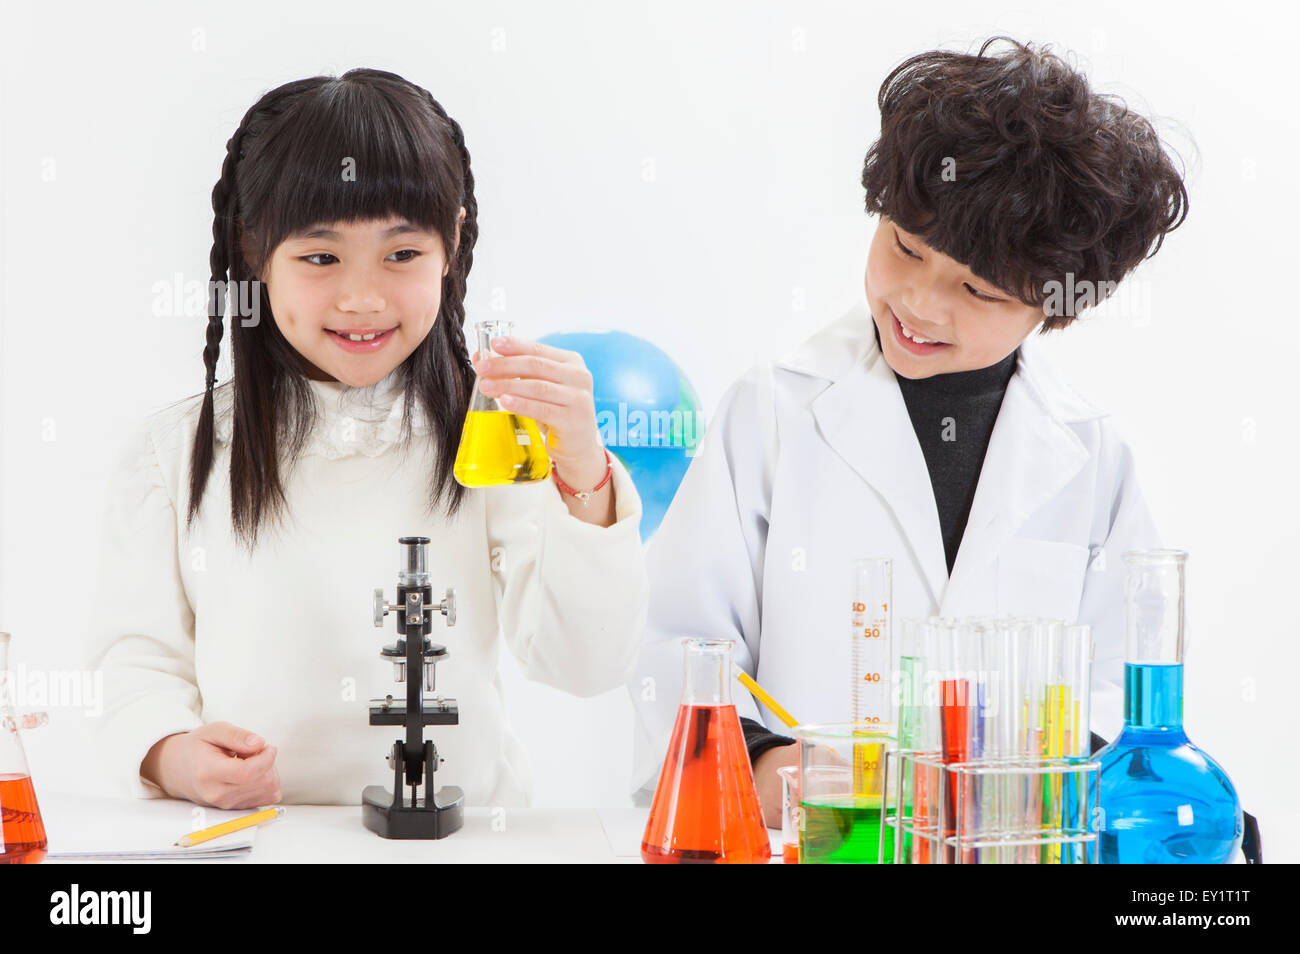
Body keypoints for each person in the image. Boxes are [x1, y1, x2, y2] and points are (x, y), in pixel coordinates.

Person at [629, 36, 1260, 862]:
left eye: (977, 289)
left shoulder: (1092, 458)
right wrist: (789, 768)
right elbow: (677, 653)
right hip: (823, 839)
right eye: (904, 247)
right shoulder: (773, 414)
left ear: (1057, 307)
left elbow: (1118, 700)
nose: (919, 305)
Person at [87, 68, 648, 810]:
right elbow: (135, 665)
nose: (363, 299)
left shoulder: (492, 434)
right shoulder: (174, 454)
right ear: (255, 253)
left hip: (462, 842)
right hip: (257, 840)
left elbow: (586, 663)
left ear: (451, 243)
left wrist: (583, 469)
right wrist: (176, 756)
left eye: (402, 254)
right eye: (321, 258)